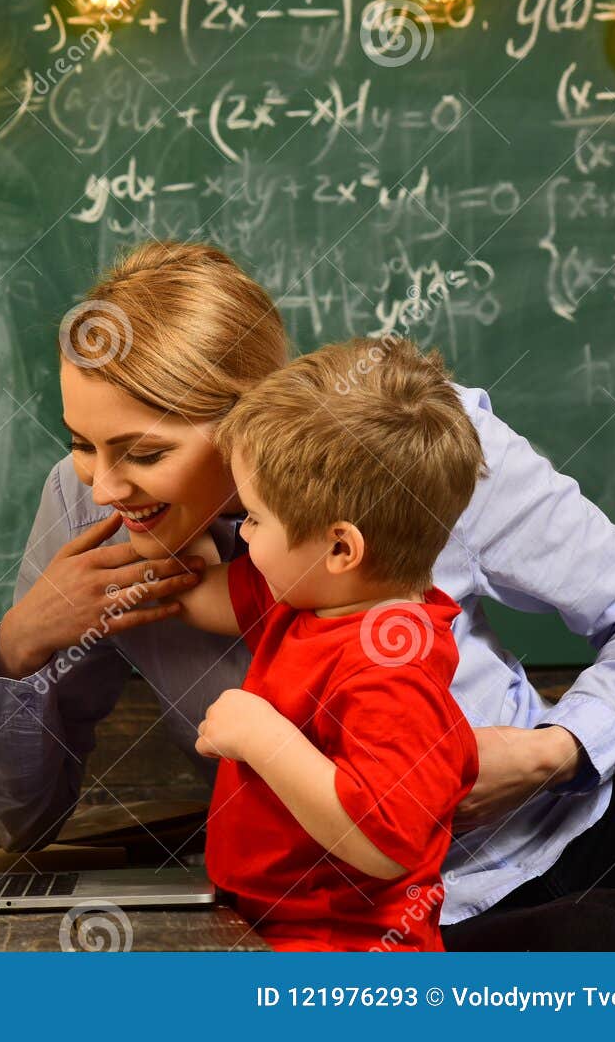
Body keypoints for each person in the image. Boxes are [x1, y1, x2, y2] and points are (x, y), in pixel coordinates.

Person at [0, 240, 615, 950]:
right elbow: (24, 824)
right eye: (78, 443)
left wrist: (557, 751)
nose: (103, 485)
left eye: (144, 452)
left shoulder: (417, 441)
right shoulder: (87, 510)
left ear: (244, 424)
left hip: (573, 813)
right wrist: (20, 646)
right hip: (393, 918)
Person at [175, 338, 482, 950]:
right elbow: (193, 596)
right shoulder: (312, 595)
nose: (243, 534)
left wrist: (263, 737)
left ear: (341, 547)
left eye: (255, 519)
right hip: (263, 925)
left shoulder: (392, 671)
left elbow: (384, 845)